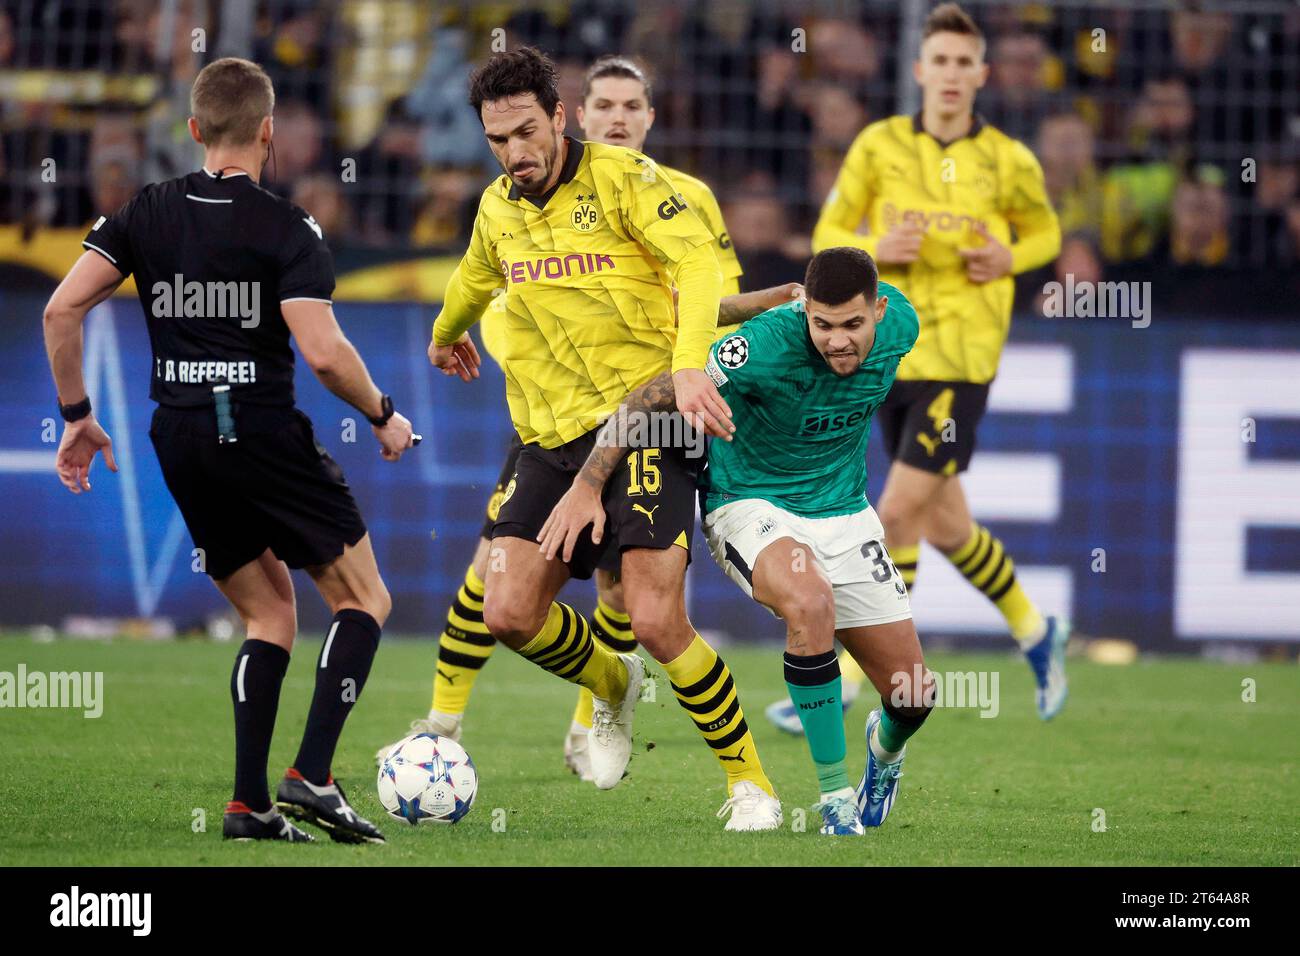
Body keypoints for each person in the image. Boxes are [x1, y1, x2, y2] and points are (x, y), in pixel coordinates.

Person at [42, 57, 426, 844]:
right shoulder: (288, 226)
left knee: (269, 611)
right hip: (257, 427)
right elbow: (321, 352)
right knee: (364, 599)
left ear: (192, 131)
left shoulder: (142, 213)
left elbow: (60, 309)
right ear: (268, 133)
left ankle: (249, 805)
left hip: (179, 434)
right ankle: (312, 778)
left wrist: (77, 414)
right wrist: (384, 414)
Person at [382, 55, 789, 787]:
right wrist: (446, 333)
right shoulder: (498, 208)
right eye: (499, 140)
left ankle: (750, 784)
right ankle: (609, 686)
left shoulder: (635, 184)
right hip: (548, 433)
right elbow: (475, 275)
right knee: (505, 608)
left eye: (528, 132)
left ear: (561, 117)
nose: (516, 153)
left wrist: (692, 364)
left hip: (646, 422)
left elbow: (701, 274)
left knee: (654, 619)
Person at [766, 2, 1067, 732]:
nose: (954, 75)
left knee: (894, 512)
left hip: (962, 360)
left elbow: (1045, 233)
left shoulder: (1010, 161)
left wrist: (1010, 257)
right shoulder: (877, 147)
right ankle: (1036, 630)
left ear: (982, 74)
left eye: (967, 62)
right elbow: (830, 234)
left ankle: (845, 677)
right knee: (946, 525)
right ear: (920, 69)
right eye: (942, 60)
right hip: (892, 361)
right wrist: (875, 246)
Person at [699, 246, 930, 834]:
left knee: (912, 695)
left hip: (846, 514)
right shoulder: (760, 346)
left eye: (853, 325)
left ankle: (884, 754)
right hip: (751, 503)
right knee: (809, 602)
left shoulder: (903, 323)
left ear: (879, 310)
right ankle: (835, 801)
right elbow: (678, 378)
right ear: (804, 311)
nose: (836, 341)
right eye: (822, 325)